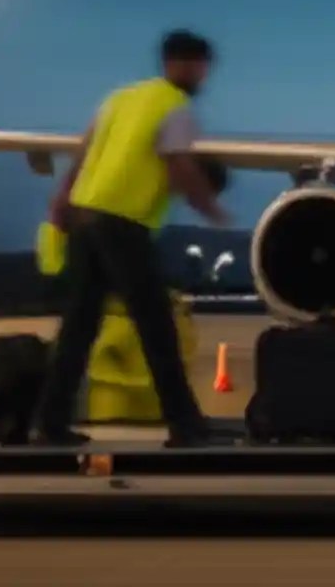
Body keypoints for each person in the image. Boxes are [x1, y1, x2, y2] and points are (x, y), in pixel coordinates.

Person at [33, 29, 230, 447]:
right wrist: (211, 209)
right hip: (121, 226)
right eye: (201, 67)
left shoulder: (120, 99)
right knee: (157, 327)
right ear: (188, 65)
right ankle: (185, 425)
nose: (202, 76)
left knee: (79, 328)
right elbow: (180, 167)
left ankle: (49, 423)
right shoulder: (174, 107)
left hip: (87, 219)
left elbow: (83, 152)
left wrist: (62, 198)